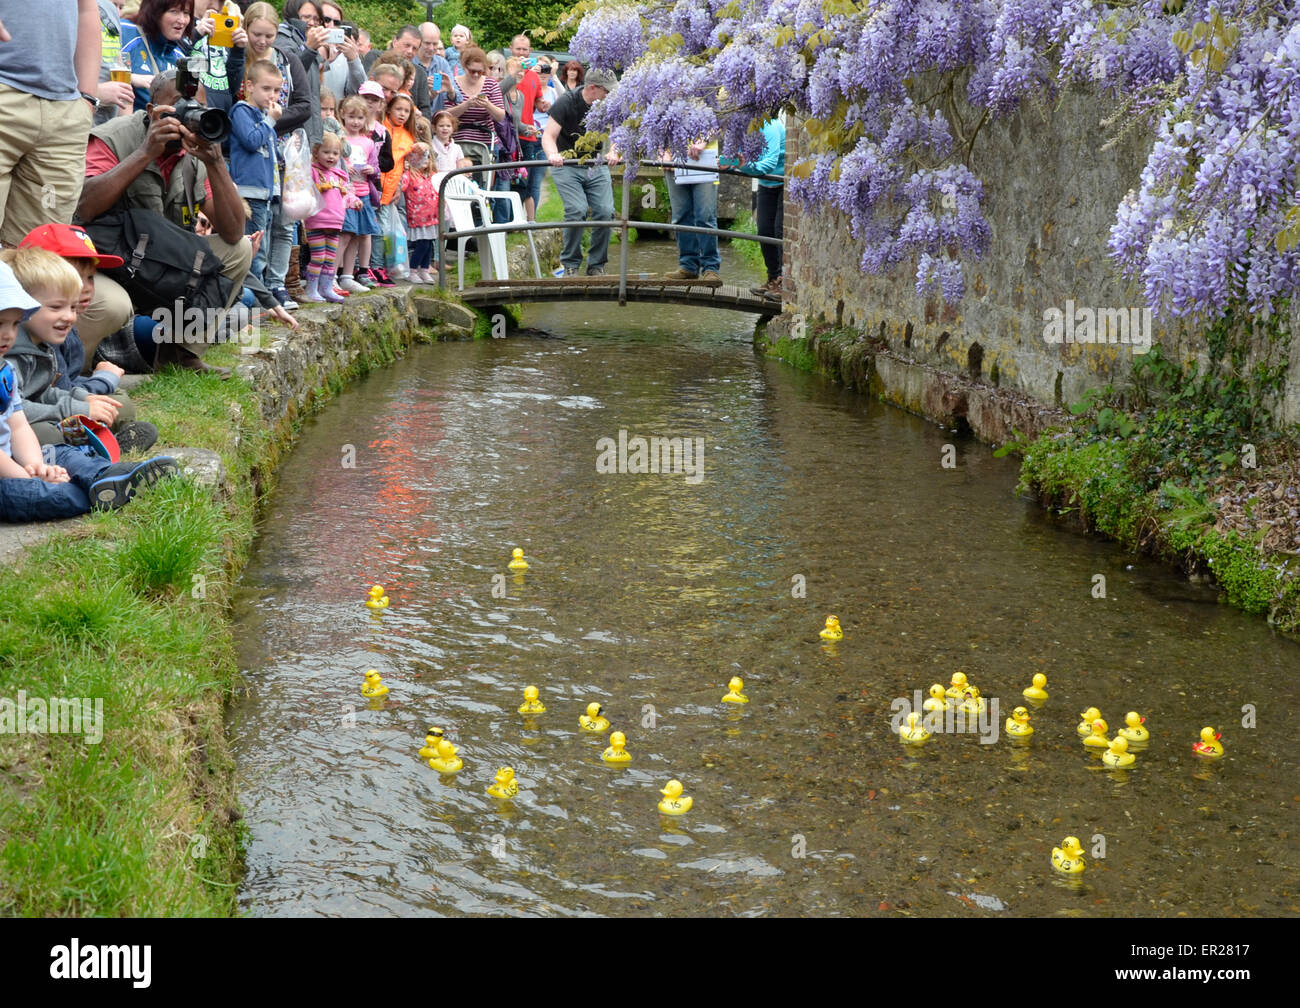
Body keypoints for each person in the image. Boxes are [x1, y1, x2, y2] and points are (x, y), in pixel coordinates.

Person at [75, 69, 254, 377]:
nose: (189, 115)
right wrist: (146, 152)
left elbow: (233, 231)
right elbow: (85, 209)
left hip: (158, 264)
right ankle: (72, 374)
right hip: (108, 264)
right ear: (151, 110)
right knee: (113, 304)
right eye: (179, 104)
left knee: (239, 250)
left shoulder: (195, 153)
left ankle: (179, 355)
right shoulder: (113, 138)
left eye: (196, 106)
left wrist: (215, 162)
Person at [0, 259, 180, 522]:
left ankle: (103, 474)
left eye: (15, 323)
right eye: (1, 323)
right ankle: (101, 488)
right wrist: (29, 476)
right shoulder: (16, 357)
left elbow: (18, 425)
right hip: (7, 473)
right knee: (50, 493)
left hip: (16, 458)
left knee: (63, 454)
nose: (8, 334)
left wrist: (36, 465)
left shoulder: (5, 369)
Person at [0, 243, 156, 453]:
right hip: (18, 428)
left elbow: (43, 391)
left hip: (42, 414)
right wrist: (77, 407)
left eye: (73, 307)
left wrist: (83, 399)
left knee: (119, 406)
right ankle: (87, 447)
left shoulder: (43, 342)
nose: (69, 316)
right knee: (46, 434)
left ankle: (97, 441)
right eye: (56, 307)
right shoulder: (11, 353)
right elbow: (15, 410)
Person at [0, 0, 102, 248]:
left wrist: (87, 98)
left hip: (64, 112)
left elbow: (86, 8)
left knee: (40, 257)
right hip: (7, 90)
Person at [542, 67, 619, 277]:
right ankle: (570, 264)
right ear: (593, 88)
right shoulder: (566, 102)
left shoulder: (608, 105)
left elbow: (618, 134)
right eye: (607, 91)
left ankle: (597, 265)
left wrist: (614, 150)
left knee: (605, 211)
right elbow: (548, 136)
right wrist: (553, 155)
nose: (610, 95)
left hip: (595, 164)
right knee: (577, 210)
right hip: (567, 164)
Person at [229, 59, 283, 288]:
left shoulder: (263, 116)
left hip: (265, 193)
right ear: (249, 86)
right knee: (253, 248)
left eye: (277, 90)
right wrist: (271, 121)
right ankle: (251, 295)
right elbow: (251, 141)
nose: (272, 95)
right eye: (266, 88)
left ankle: (256, 293)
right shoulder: (242, 111)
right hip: (249, 192)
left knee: (262, 247)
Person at [300, 132, 357, 302]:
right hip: (317, 221)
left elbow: (346, 194)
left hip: (335, 222)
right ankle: (311, 288)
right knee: (318, 257)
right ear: (316, 152)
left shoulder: (340, 175)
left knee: (330, 258)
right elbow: (305, 189)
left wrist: (354, 201)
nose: (331, 156)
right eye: (326, 152)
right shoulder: (312, 171)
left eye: (335, 153)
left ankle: (326, 288)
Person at [734, 117, 785, 298]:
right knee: (764, 231)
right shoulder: (740, 127)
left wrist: (744, 166)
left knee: (780, 231)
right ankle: (773, 278)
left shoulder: (769, 125)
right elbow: (738, 158)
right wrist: (730, 163)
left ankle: (784, 282)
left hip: (783, 180)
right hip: (765, 183)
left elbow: (769, 163)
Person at [335, 94, 380, 292]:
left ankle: (348, 275)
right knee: (345, 234)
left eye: (360, 118)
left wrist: (372, 170)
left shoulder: (368, 142)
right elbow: (332, 161)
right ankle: (332, 275)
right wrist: (345, 167)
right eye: (352, 117)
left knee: (358, 234)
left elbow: (375, 166)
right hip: (344, 193)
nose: (355, 122)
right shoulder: (340, 139)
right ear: (343, 115)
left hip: (363, 193)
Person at [664, 135, 721, 284]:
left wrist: (703, 141)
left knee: (705, 216)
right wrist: (662, 152)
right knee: (681, 216)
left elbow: (720, 123)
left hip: (705, 158)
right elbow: (655, 127)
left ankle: (710, 268)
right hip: (673, 161)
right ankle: (688, 266)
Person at [121, 0, 194, 112]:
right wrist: (130, 78)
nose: (182, 20)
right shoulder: (124, 31)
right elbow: (99, 73)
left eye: (186, 13)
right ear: (155, 12)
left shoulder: (180, 57)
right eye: (174, 11)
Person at [450, 47, 506, 188]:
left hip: (485, 142)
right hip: (457, 140)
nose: (476, 75)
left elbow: (500, 116)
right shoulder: (454, 84)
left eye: (480, 72)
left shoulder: (491, 84)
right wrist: (466, 105)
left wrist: (487, 105)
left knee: (485, 183)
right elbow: (444, 114)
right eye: (472, 71)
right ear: (464, 66)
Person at [401, 142, 438, 283]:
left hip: (432, 216)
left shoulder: (432, 175)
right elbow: (401, 186)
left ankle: (424, 269)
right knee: (423, 244)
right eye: (421, 157)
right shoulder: (409, 175)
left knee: (429, 244)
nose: (425, 161)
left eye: (427, 157)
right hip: (418, 217)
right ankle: (412, 270)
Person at [95, 0, 137, 124]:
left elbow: (120, 65)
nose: (118, 12)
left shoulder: (112, 13)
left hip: (107, 126)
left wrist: (124, 126)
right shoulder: (75, 7)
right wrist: (96, 93)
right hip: (79, 122)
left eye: (121, 7)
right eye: (115, 5)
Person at [317, 1, 364, 101]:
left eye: (336, 22)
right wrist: (324, 62)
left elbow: (358, 94)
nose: (331, 25)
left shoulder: (343, 56)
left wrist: (353, 60)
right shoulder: (302, 47)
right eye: (326, 20)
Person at [416, 22, 453, 117]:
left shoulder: (442, 63)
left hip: (437, 120)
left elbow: (457, 98)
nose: (431, 48)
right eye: (427, 43)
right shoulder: (410, 62)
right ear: (418, 41)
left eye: (435, 44)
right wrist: (423, 88)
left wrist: (450, 90)